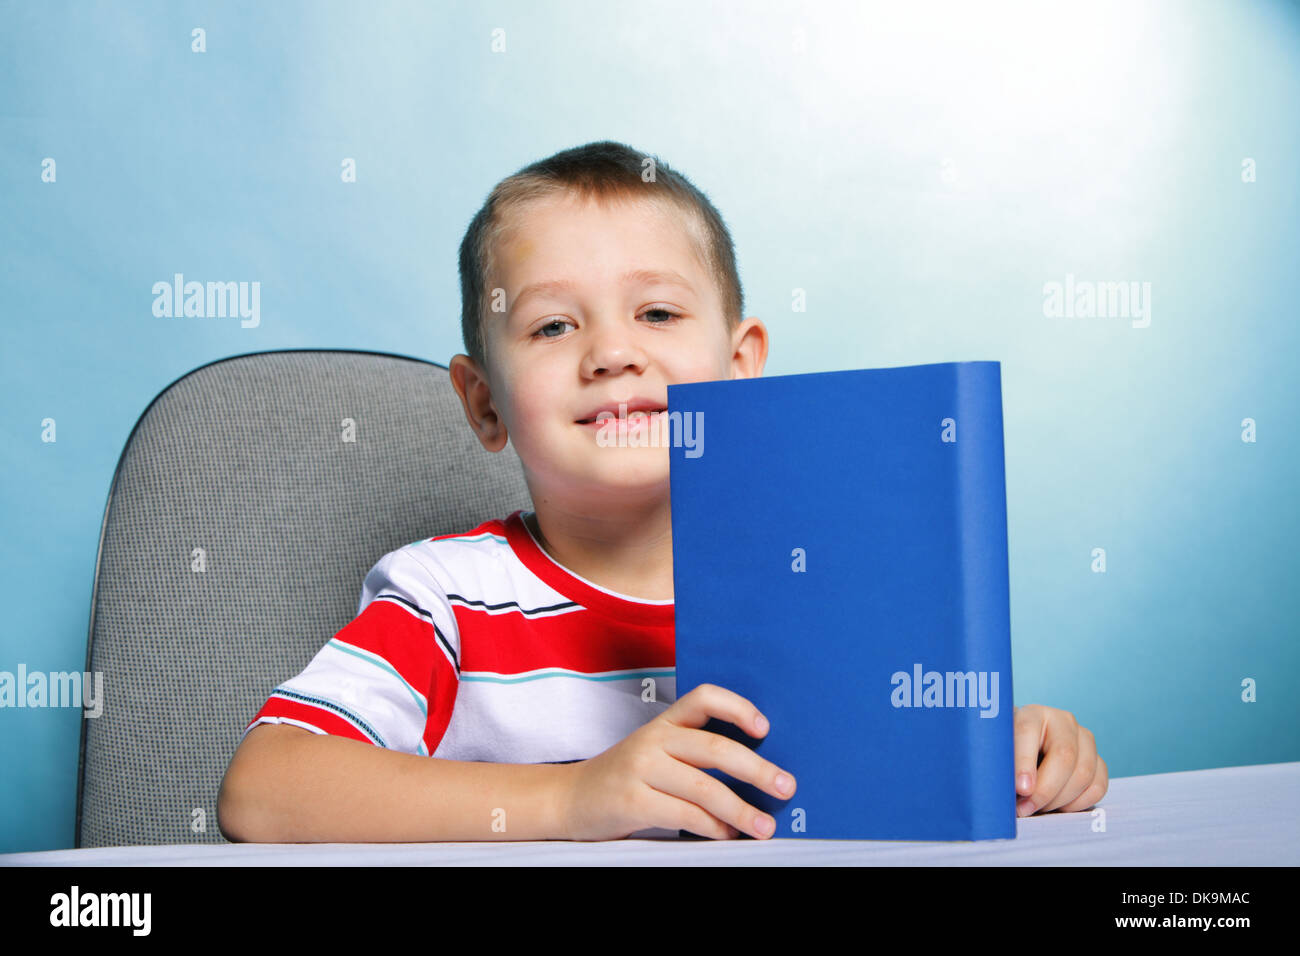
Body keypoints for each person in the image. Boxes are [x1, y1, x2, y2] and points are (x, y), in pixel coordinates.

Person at [217, 141, 1108, 842]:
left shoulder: (827, 587)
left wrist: (1017, 755)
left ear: (741, 367)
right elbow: (264, 789)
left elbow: (895, 778)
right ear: (484, 402)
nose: (612, 354)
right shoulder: (446, 600)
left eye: (657, 313)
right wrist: (572, 801)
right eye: (554, 324)